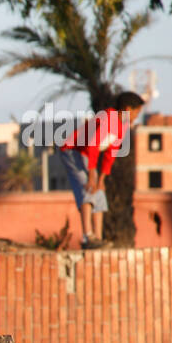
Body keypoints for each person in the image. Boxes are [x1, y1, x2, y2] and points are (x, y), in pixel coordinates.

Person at [56, 91, 145, 249]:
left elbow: (111, 154)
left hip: (87, 155)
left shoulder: (122, 126)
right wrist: (91, 174)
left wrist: (101, 179)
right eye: (136, 111)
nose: (137, 115)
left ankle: (97, 238)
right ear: (127, 109)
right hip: (73, 150)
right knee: (87, 188)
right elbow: (93, 145)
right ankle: (87, 237)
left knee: (99, 192)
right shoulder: (108, 118)